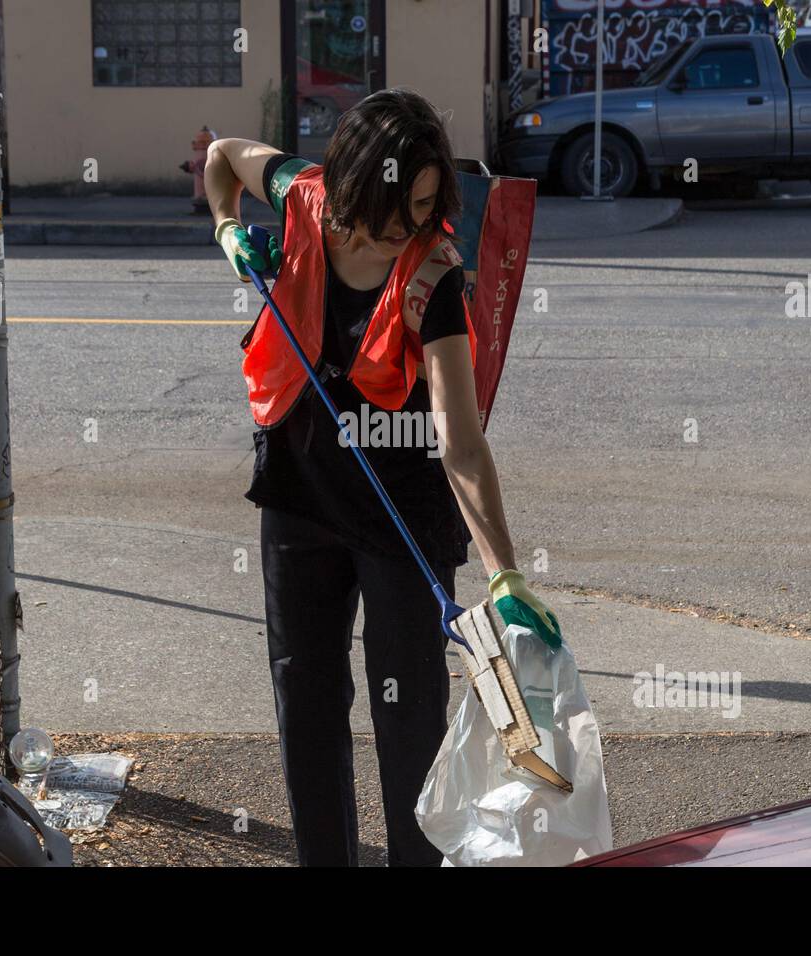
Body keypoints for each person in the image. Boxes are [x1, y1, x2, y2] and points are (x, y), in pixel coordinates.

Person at [203, 88, 561, 867]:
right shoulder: (304, 196)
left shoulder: (434, 276)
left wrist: (504, 575)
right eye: (398, 205)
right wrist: (229, 227)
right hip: (301, 499)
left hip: (404, 515)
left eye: (430, 205)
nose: (412, 224)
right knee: (308, 704)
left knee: (410, 724)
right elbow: (223, 157)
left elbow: (460, 444)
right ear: (353, 183)